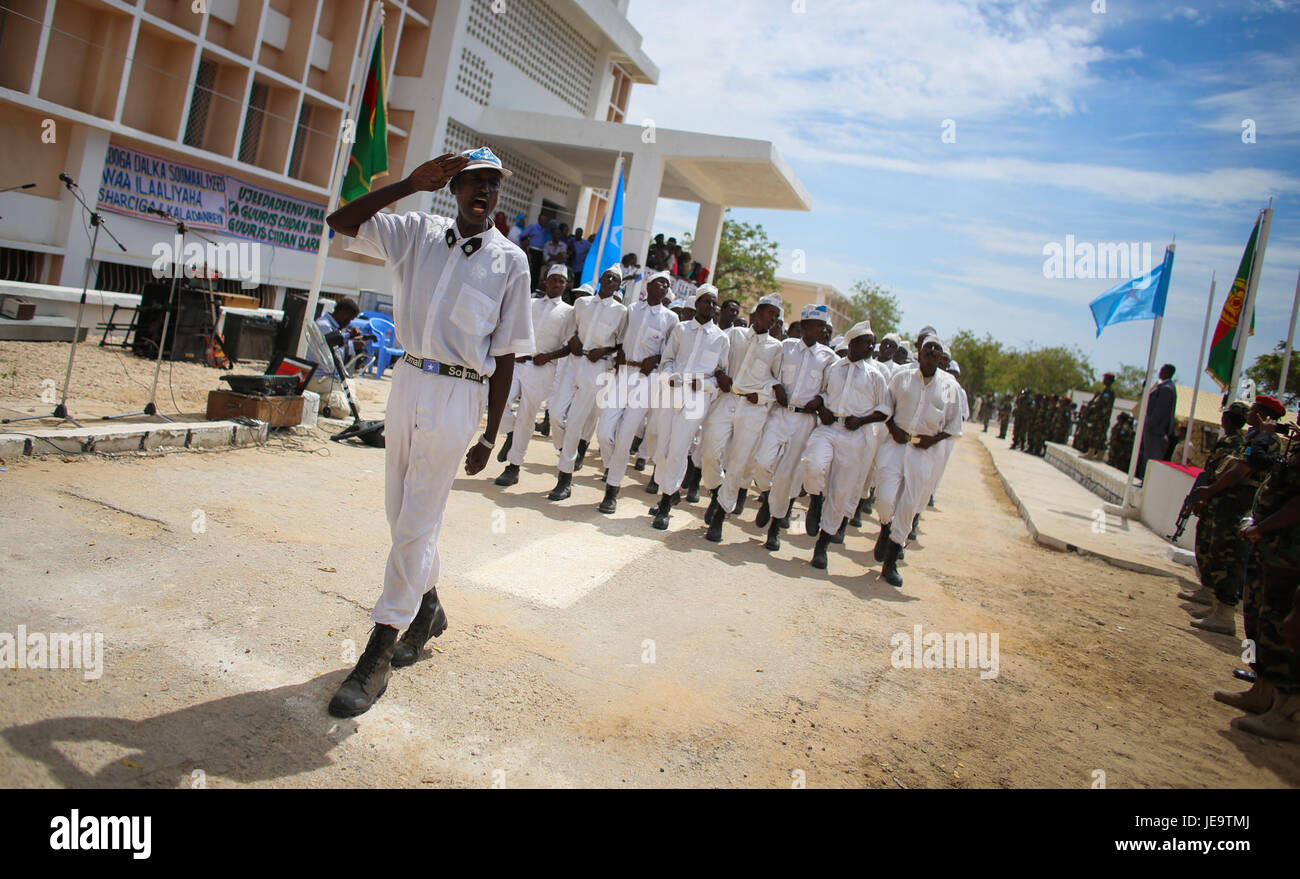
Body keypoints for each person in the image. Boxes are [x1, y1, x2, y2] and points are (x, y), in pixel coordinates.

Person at [323, 147, 532, 717]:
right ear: (453, 187)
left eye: (491, 183)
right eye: (471, 182)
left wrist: (491, 434)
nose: (481, 191)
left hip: (460, 392)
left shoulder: (510, 261)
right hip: (409, 379)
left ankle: (378, 652)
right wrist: (407, 185)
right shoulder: (416, 229)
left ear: (498, 193)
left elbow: (507, 354)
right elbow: (340, 223)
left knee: (417, 518)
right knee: (400, 513)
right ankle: (430, 605)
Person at [1224, 403, 1300, 740]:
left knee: (1279, 624)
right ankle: (1262, 690)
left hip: (1288, 551)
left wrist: (1264, 527)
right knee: (1258, 616)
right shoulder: (1292, 445)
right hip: (1273, 548)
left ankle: (1285, 710)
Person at [798, 321, 890, 568]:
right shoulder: (834, 367)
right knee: (812, 464)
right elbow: (825, 392)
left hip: (855, 436)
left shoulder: (876, 376)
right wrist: (824, 407)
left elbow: (884, 410)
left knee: (840, 492)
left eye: (872, 342)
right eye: (866, 342)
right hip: (828, 428)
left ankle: (822, 546)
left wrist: (862, 420)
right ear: (852, 343)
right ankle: (816, 501)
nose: (871, 346)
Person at [873, 336, 963, 588]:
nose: (932, 351)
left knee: (909, 506)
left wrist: (931, 440)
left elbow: (954, 426)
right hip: (895, 446)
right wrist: (892, 428)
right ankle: (884, 526)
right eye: (928, 348)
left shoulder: (950, 387)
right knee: (885, 499)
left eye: (937, 350)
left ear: (941, 358)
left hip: (923, 453)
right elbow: (886, 408)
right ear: (919, 353)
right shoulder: (901, 378)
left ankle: (890, 563)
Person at [1191, 398, 1284, 636]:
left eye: (1254, 410)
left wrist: (1210, 491)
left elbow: (1240, 471)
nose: (1250, 414)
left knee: (1228, 557)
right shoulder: (1254, 438)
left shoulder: (1268, 441)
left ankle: (1225, 617)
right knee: (1217, 553)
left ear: (1262, 415)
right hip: (1228, 505)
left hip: (1237, 507)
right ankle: (1217, 610)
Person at [699, 293, 785, 542]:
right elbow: (714, 360)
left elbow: (778, 383)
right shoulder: (734, 335)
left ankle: (719, 517)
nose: (773, 319)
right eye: (769, 313)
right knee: (709, 452)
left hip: (752, 407)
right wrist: (718, 374)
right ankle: (716, 491)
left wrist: (764, 396)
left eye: (776, 316)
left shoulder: (776, 347)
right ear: (756, 313)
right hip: (727, 399)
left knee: (738, 463)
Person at [752, 305, 836, 551]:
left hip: (804, 421)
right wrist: (776, 385)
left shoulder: (829, 358)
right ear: (806, 326)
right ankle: (767, 494)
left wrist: (819, 400)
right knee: (762, 462)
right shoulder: (785, 347)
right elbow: (768, 372)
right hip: (779, 414)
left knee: (788, 474)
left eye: (824, 327)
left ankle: (775, 527)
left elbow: (829, 390)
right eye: (819, 326)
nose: (823, 331)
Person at [596, 268, 678, 512]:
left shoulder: (670, 318)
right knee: (604, 430)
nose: (663, 287)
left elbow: (673, 352)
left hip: (647, 379)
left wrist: (659, 358)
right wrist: (620, 353)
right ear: (649, 286)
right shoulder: (632, 310)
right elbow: (620, 339)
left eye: (666, 284)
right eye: (659, 282)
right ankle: (612, 466)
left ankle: (612, 489)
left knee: (625, 435)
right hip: (623, 374)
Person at [650, 286, 729, 530]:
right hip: (673, 391)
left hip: (697, 398)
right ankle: (668, 490)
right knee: (661, 447)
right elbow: (667, 360)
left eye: (713, 303)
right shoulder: (681, 329)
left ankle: (664, 504)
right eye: (706, 301)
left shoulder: (721, 338)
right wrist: (669, 376)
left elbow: (720, 376)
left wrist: (703, 384)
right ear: (696, 304)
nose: (710, 306)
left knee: (678, 448)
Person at [548, 265, 627, 501]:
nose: (610, 280)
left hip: (597, 367)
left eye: (615, 279)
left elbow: (621, 345)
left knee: (574, 423)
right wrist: (572, 340)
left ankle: (565, 479)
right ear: (601, 279)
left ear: (618, 285)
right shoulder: (582, 304)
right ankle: (566, 450)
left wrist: (605, 350)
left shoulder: (621, 311)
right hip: (574, 362)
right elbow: (569, 331)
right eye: (607, 276)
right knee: (555, 412)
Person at [494, 264, 576, 487]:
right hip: (517, 363)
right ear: (546, 281)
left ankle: (513, 467)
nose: (557, 284)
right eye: (553, 279)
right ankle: (511, 432)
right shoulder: (529, 303)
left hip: (543, 368)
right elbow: (512, 327)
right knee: (496, 402)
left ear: (566, 284)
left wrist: (548, 357)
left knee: (526, 417)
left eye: (561, 281)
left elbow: (569, 346)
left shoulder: (569, 312)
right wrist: (513, 353)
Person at [1137, 363, 1177, 479]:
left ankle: (1148, 482)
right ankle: (1146, 481)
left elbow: (1159, 411)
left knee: (1152, 458)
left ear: (1168, 372)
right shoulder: (1163, 387)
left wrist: (1149, 424)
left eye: (1162, 370)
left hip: (1155, 430)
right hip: (1154, 429)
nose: (1159, 372)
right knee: (1148, 457)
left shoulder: (1166, 389)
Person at [1083, 373, 1116, 460]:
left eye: (1105, 379)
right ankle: (1098, 455)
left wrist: (1095, 409)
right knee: (1100, 435)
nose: (1103, 380)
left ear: (1109, 381)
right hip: (1100, 418)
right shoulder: (1105, 391)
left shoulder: (1108, 392)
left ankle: (1092, 453)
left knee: (1097, 435)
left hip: (1101, 418)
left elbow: (1104, 406)